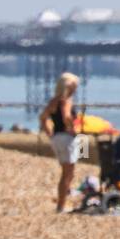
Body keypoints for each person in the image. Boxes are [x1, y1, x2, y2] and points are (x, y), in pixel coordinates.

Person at [38, 72, 79, 213]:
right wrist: (72, 128)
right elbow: (67, 116)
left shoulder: (53, 101)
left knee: (65, 172)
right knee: (68, 174)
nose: (76, 89)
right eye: (75, 86)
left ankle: (62, 202)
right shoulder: (66, 100)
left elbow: (43, 117)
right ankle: (61, 206)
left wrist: (49, 133)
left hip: (56, 138)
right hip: (67, 138)